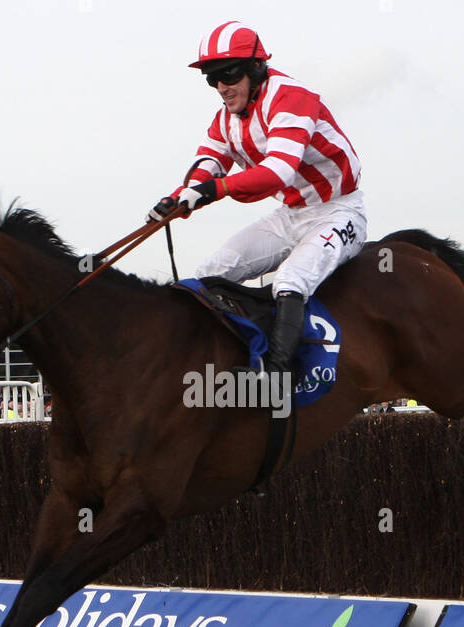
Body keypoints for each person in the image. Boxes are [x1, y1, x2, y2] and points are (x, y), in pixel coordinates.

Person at [149, 21, 365, 377]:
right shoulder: (227, 116)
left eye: (228, 75)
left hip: (339, 212)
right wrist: (177, 199)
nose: (221, 87)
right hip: (291, 214)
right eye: (212, 78)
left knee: (290, 281)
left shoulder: (291, 97)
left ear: (256, 68)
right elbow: (211, 161)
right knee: (208, 274)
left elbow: (277, 171)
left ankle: (279, 375)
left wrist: (214, 191)